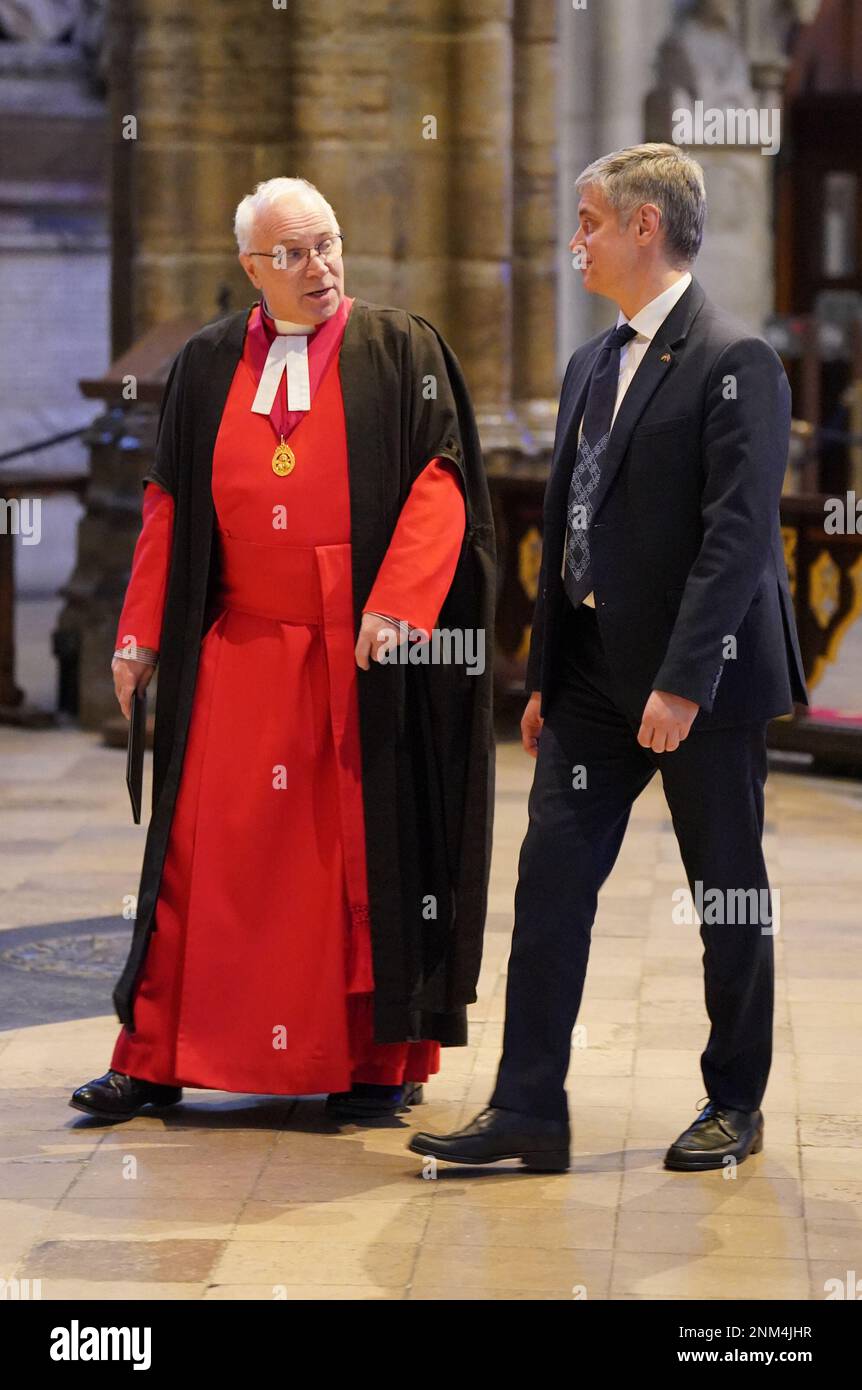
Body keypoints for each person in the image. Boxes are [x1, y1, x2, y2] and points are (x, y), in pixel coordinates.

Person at [409, 142, 808, 1173]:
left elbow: (735, 540)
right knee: (549, 880)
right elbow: (571, 518)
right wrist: (543, 671)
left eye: (587, 220)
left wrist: (682, 680)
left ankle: (734, 1099)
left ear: (643, 226)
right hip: (589, 678)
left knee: (726, 890)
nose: (572, 238)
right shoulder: (591, 360)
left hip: (698, 681)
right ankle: (529, 1109)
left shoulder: (736, 360)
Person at [70, 176, 495, 1124]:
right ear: (251, 268)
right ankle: (155, 1059)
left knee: (351, 867)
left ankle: (371, 1064)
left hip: (354, 662)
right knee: (200, 864)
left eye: (329, 244)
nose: (321, 267)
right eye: (294, 254)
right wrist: (139, 634)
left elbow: (441, 484)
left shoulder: (402, 349)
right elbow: (169, 505)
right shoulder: (209, 362)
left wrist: (399, 605)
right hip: (236, 656)